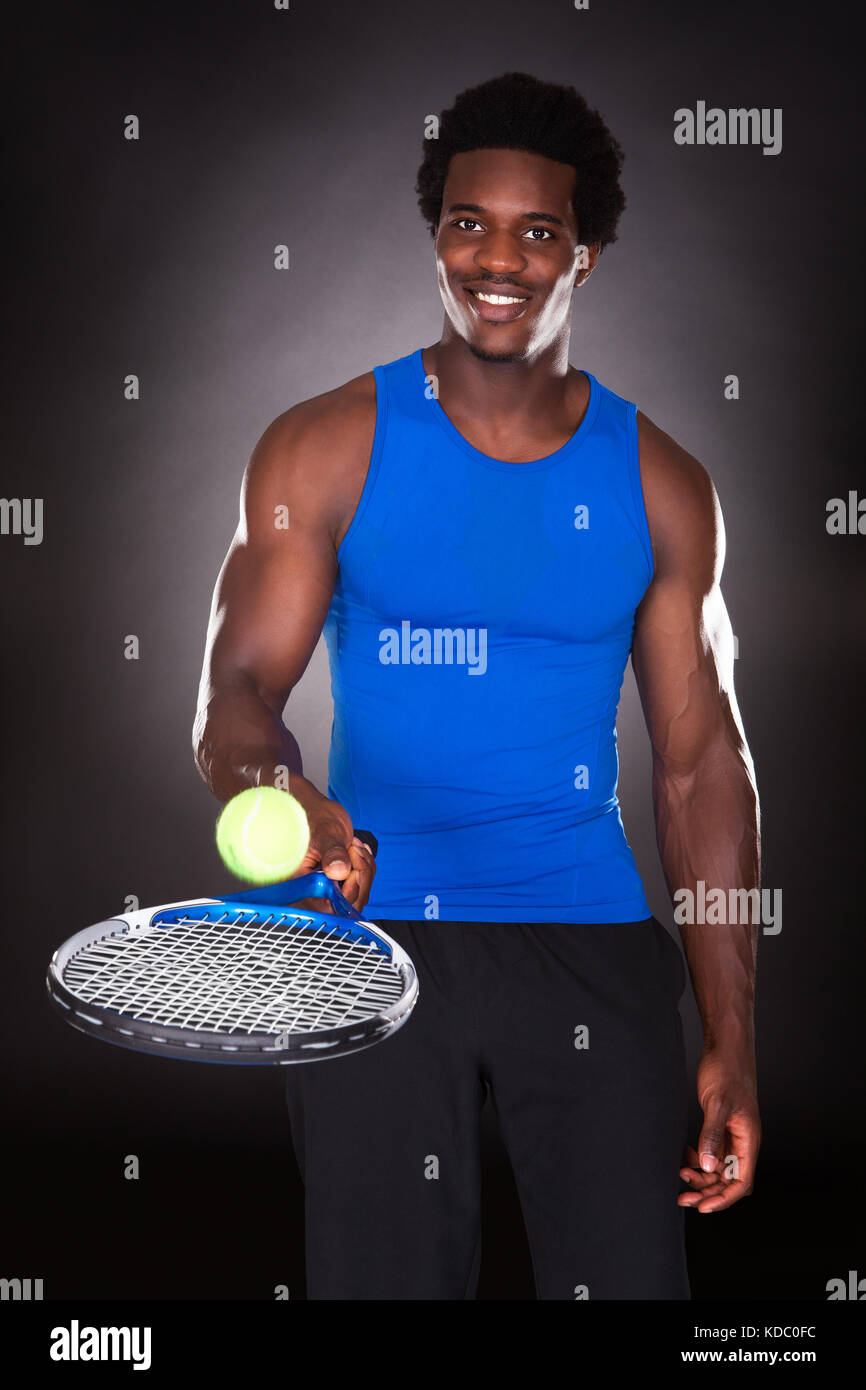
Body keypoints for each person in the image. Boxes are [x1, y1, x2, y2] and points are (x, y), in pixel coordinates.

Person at [192, 71, 761, 1300]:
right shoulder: (325, 444)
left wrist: (730, 1035)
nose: (495, 260)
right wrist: (283, 798)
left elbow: (697, 759)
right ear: (435, 233)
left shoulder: (661, 482)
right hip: (374, 938)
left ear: (586, 254)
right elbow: (236, 688)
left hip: (590, 945)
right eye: (466, 222)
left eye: (536, 231)